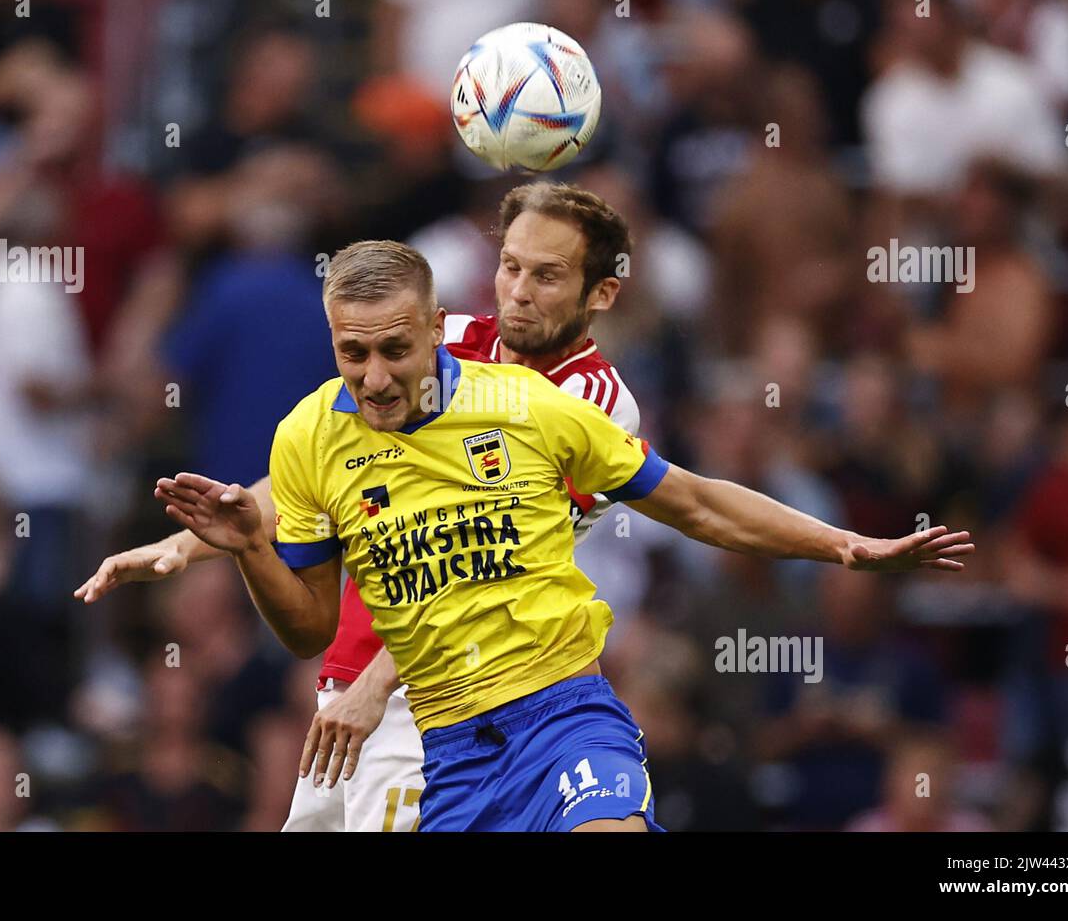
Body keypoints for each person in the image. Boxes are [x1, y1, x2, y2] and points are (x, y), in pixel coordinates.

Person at [148, 239, 974, 832]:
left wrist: (841, 543)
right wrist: (241, 545)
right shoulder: (309, 437)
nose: (372, 376)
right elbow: (306, 630)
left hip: (557, 711)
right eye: (350, 353)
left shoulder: (530, 409)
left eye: (394, 350)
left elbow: (693, 501)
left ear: (438, 327)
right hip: (439, 746)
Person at [78, 183, 644, 831]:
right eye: (510, 266)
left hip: (448, 699)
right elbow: (323, 469)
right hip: (349, 691)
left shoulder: (598, 407)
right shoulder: (445, 339)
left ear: (600, 293)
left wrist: (379, 686)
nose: (517, 290)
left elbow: (480, 574)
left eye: (546, 275)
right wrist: (189, 543)